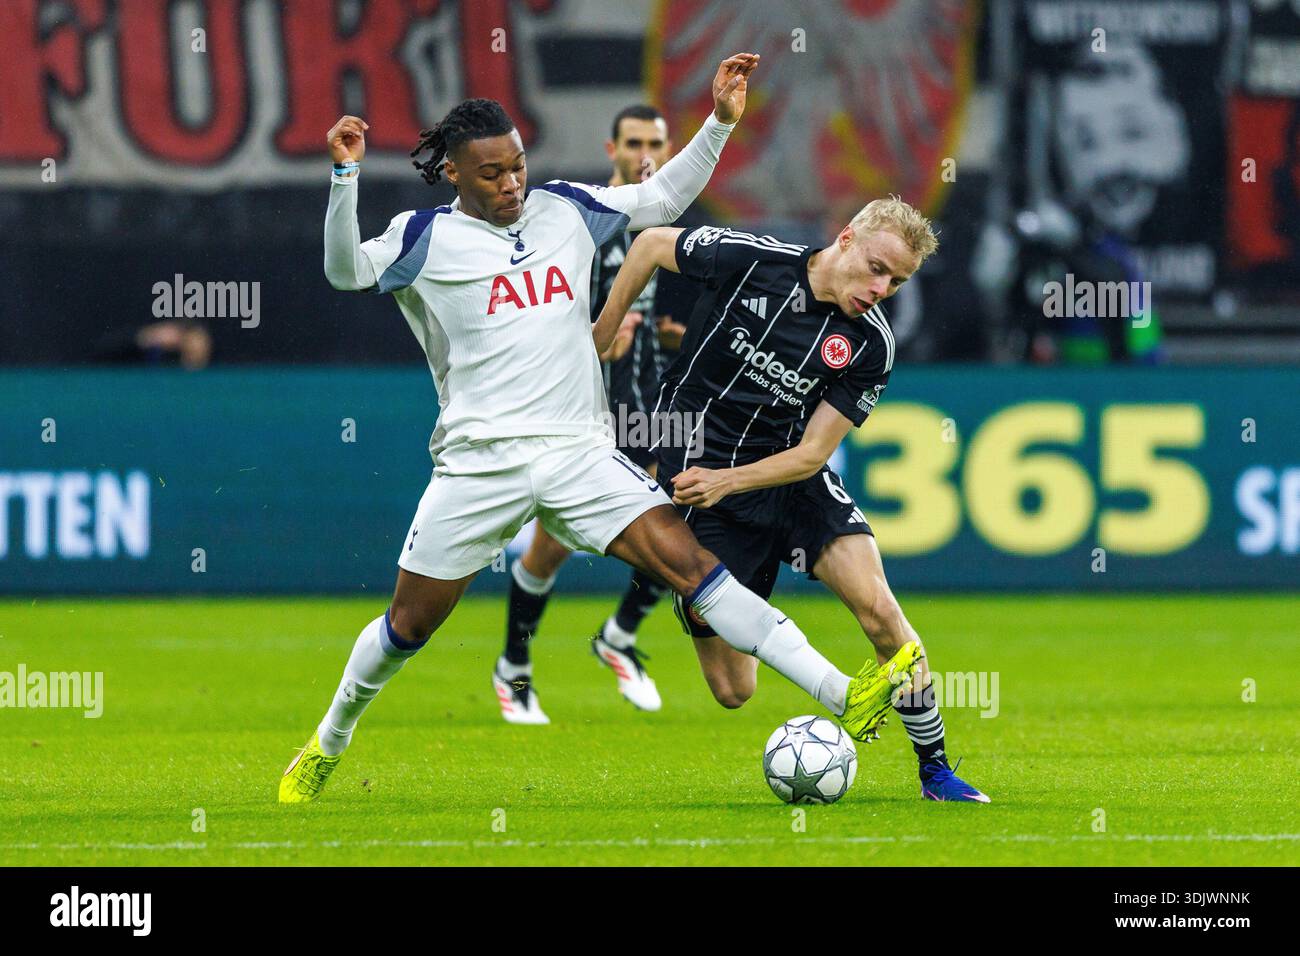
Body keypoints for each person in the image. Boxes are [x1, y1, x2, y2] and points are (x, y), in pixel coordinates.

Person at [280, 53, 922, 805]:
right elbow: (344, 272)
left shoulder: (563, 208)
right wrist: (344, 180)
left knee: (694, 568)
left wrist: (717, 122)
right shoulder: (421, 239)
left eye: (518, 165)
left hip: (579, 450)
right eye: (491, 174)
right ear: (453, 173)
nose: (512, 182)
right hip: (479, 462)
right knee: (407, 627)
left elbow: (661, 196)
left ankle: (845, 694)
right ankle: (330, 741)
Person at [591, 198, 989, 802]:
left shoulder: (870, 346)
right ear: (847, 236)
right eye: (877, 268)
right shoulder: (752, 262)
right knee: (733, 691)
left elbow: (810, 454)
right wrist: (599, 335)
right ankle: (749, 618)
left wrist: (733, 478)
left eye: (897, 281)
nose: (882, 288)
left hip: (788, 483)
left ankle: (936, 771)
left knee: (883, 614)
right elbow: (647, 246)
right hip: (700, 488)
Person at [493, 104, 695, 723]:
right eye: (633, 142)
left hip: (651, 409)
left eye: (655, 143)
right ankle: (514, 665)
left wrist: (665, 338)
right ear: (610, 147)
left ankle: (620, 636)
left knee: (683, 529)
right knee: (549, 551)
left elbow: (684, 324)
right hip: (581, 416)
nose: (644, 154)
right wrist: (595, 333)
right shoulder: (579, 222)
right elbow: (534, 312)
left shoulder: (669, 228)